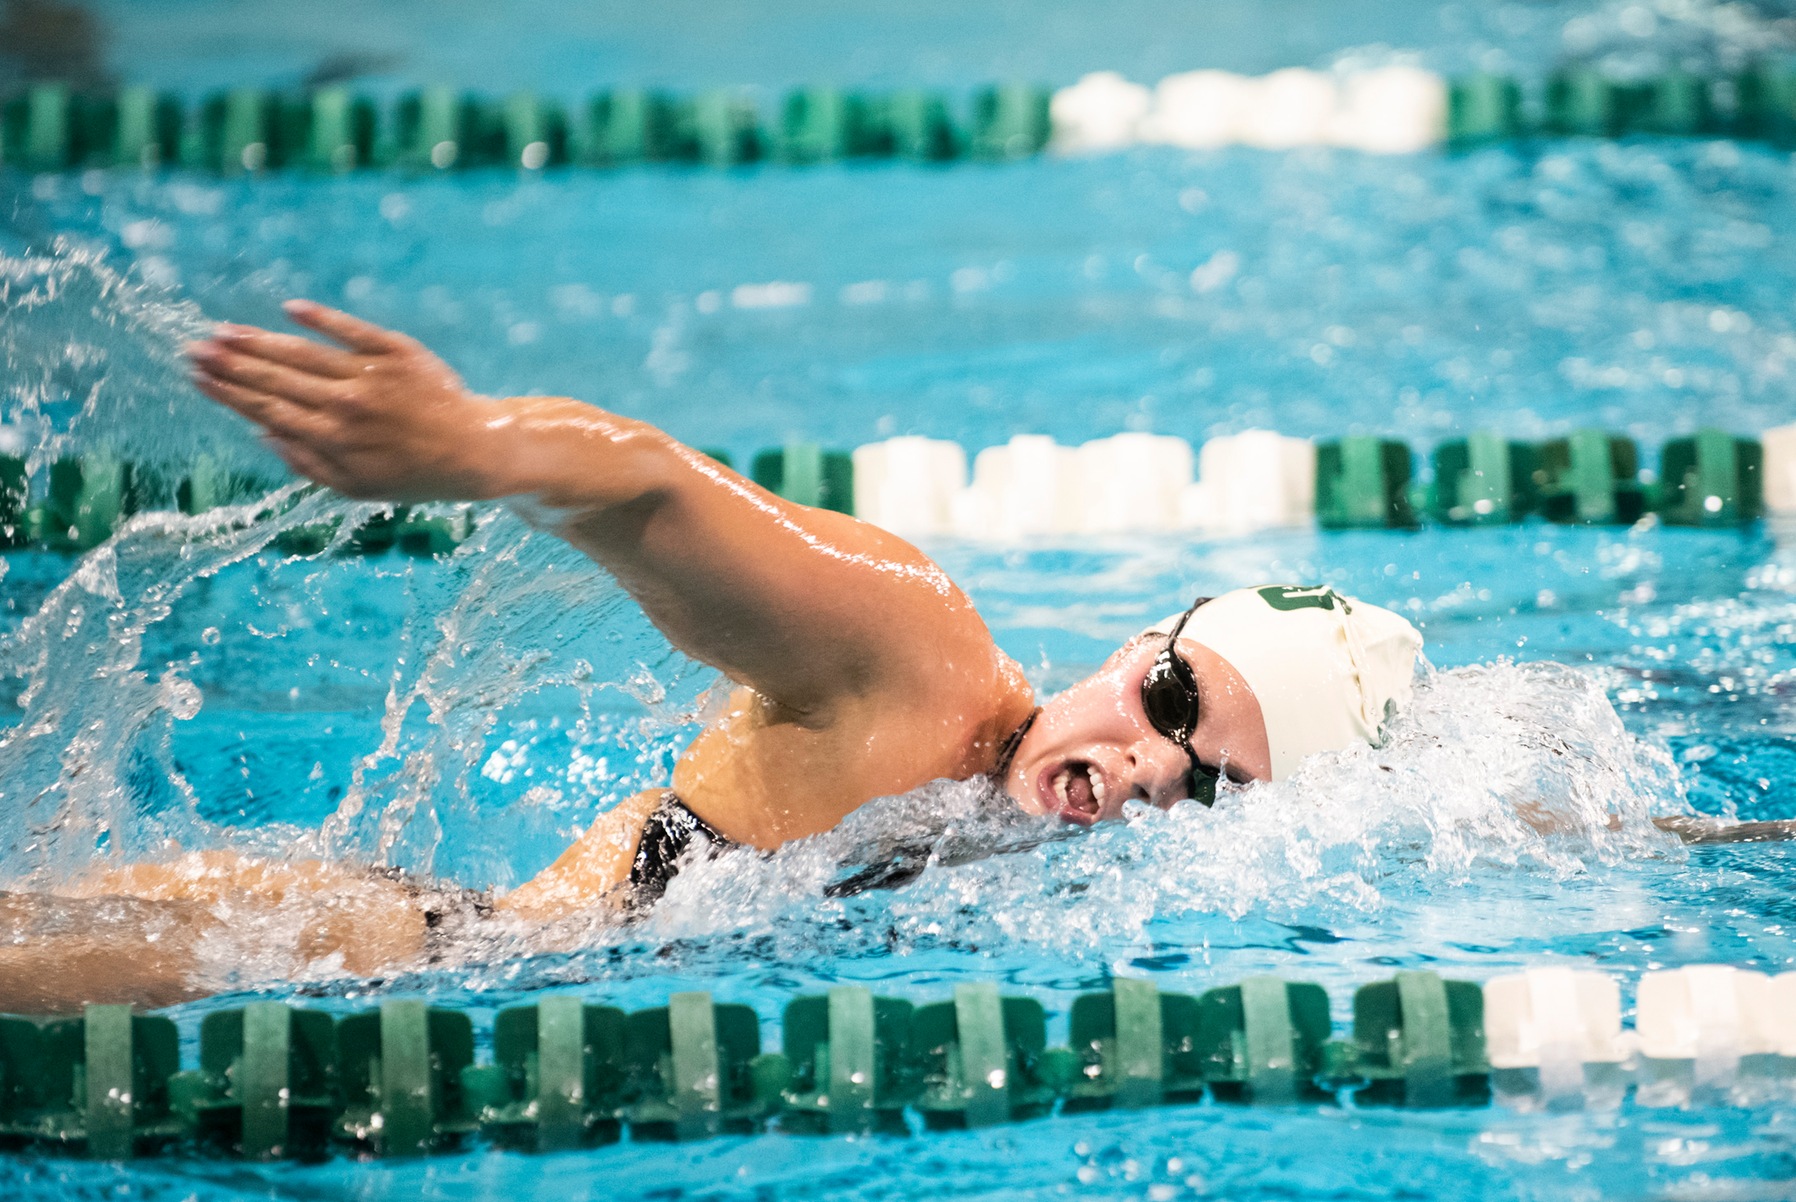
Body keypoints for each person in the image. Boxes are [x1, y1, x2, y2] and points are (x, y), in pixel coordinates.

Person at [0, 302, 1762, 1012]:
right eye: (1167, 700)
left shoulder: (1088, 893)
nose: (1147, 765)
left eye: (1209, 782)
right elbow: (651, 491)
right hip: (363, 949)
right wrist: (465, 444)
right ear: (1125, 645)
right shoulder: (913, 663)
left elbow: (1494, 829)